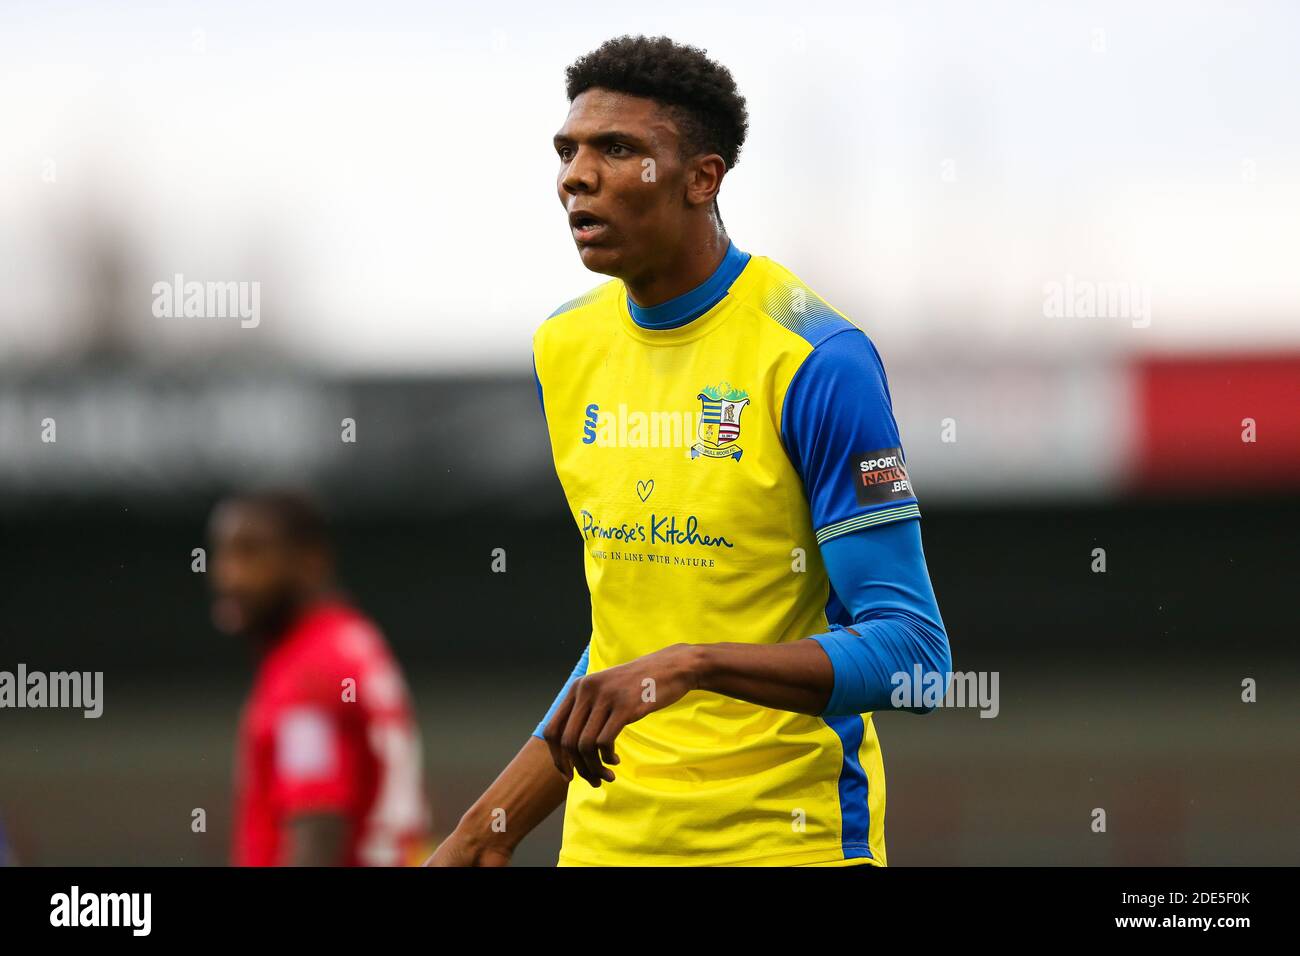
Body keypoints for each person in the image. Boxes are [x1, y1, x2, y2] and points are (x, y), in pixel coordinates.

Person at [429, 34, 950, 868]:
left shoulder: (817, 359)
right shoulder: (565, 348)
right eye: (568, 151)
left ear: (702, 178)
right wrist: (483, 830)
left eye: (618, 149)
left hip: (786, 845)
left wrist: (696, 666)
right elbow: (622, 644)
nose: (576, 175)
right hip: (608, 845)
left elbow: (915, 657)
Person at [209, 489, 430, 866]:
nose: (229, 576)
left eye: (251, 553)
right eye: (223, 554)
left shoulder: (309, 672)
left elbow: (318, 829)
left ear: (310, 561)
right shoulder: (352, 636)